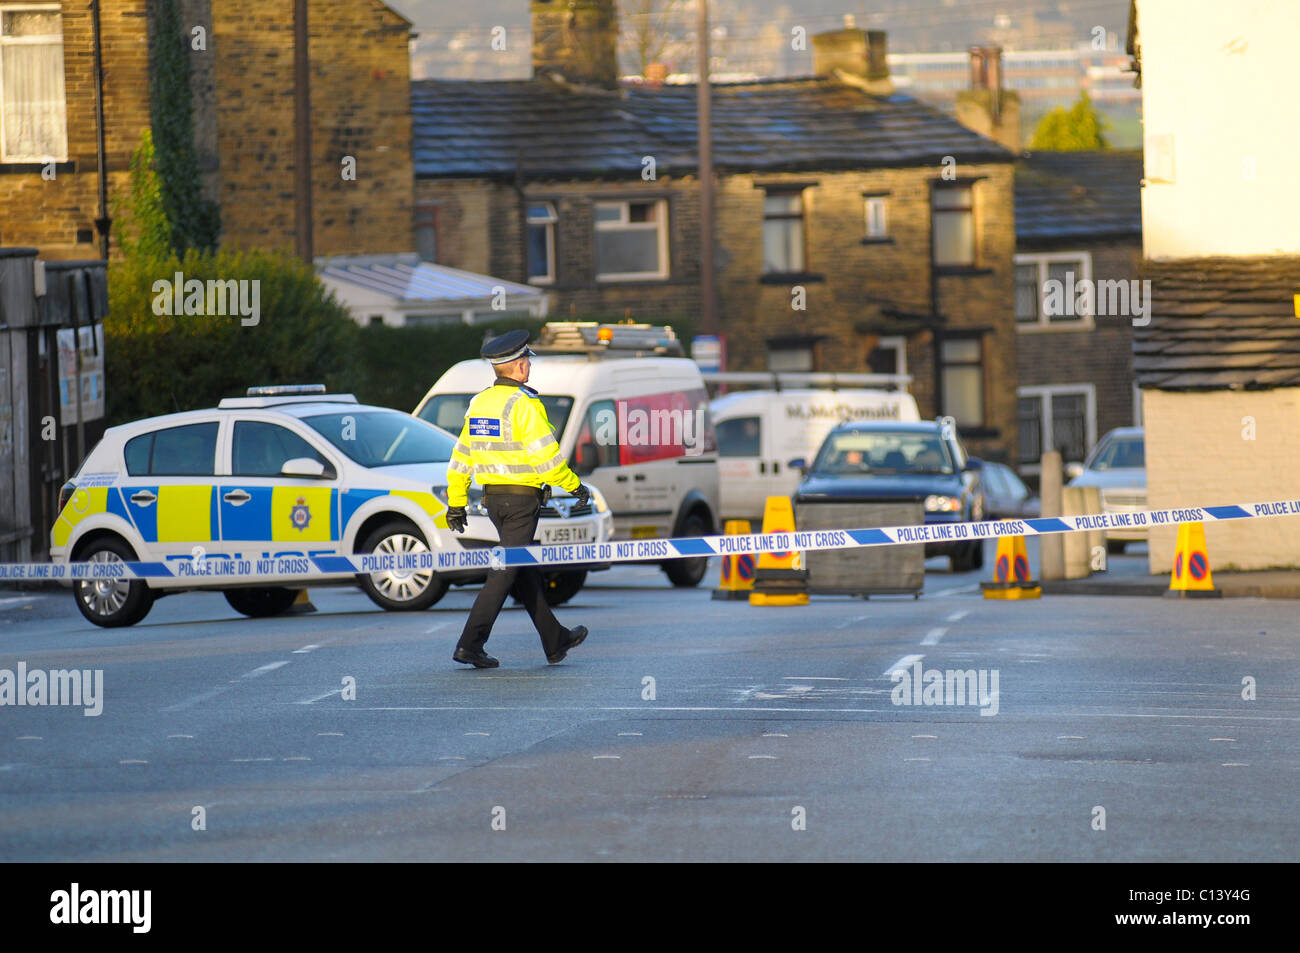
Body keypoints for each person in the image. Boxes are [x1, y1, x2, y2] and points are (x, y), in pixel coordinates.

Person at [444, 329, 592, 669]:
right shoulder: (525, 405)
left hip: (494, 501)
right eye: (526, 361)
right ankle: (469, 644)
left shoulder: (480, 403)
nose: (528, 366)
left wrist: (456, 502)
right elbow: (548, 462)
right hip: (522, 503)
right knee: (503, 573)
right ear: (518, 367)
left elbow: (461, 458)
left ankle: (555, 640)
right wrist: (576, 487)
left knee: (523, 571)